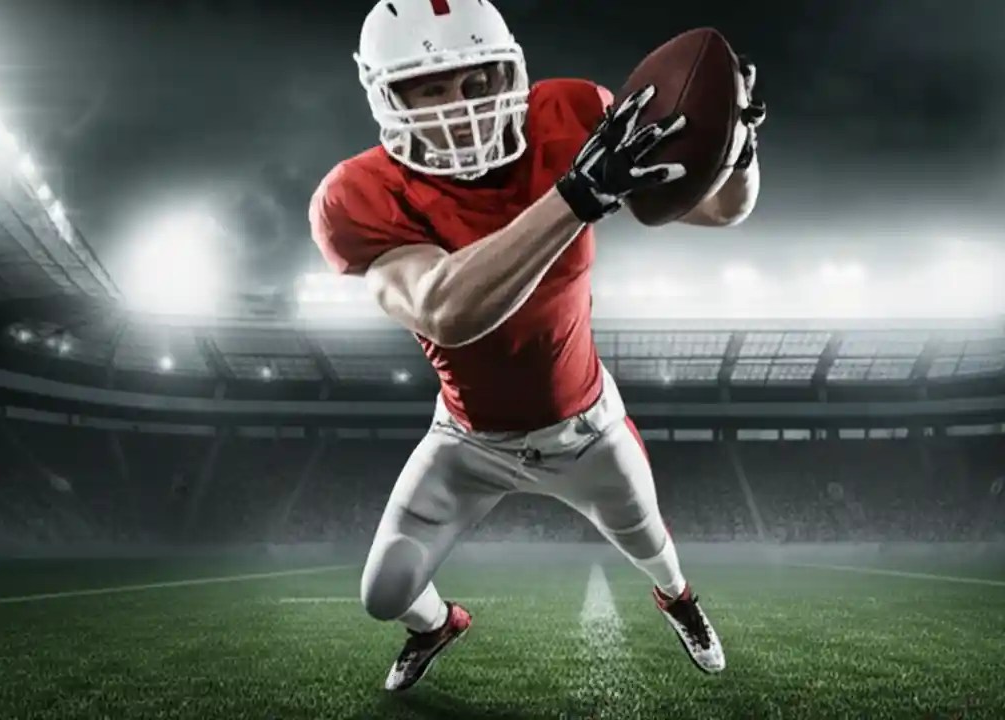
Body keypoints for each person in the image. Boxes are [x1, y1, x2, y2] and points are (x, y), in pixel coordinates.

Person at [308, 0, 765, 692]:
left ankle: (680, 603)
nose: (462, 106)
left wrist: (736, 151)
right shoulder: (360, 194)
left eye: (478, 80)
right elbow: (444, 308)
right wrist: (575, 195)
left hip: (584, 427)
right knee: (384, 593)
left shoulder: (571, 115)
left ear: (511, 73)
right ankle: (436, 626)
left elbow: (722, 209)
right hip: (468, 439)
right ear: (386, 95)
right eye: (429, 88)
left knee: (652, 545)